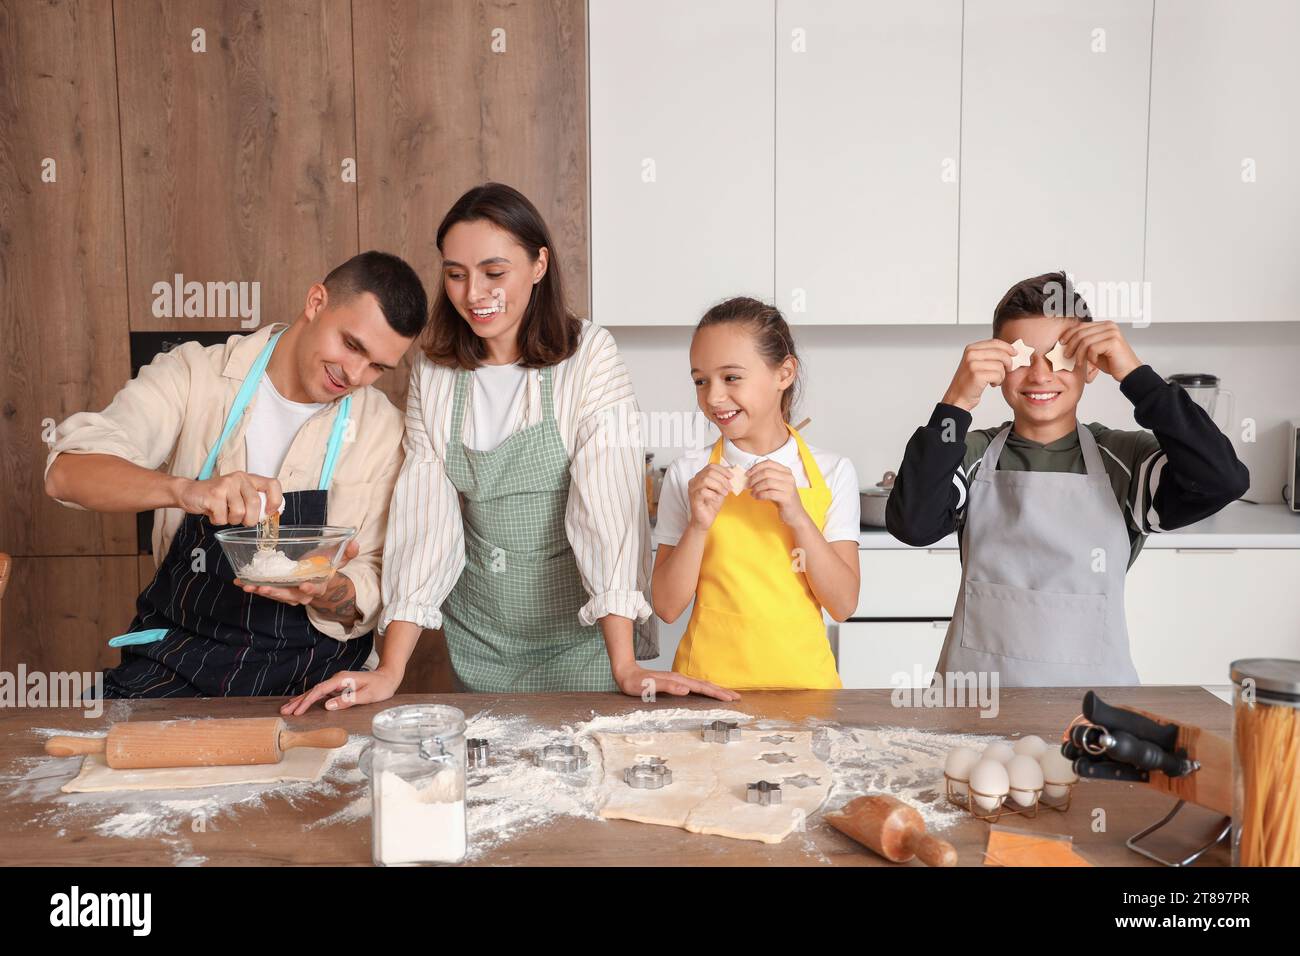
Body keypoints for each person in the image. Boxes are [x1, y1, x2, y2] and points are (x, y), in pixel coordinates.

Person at [284, 183, 737, 713]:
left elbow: (607, 509)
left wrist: (624, 665)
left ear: (539, 264)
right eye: (456, 274)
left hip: (583, 633)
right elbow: (425, 520)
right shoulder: (436, 371)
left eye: (494, 273)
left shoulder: (588, 357)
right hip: (482, 636)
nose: (474, 293)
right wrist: (391, 669)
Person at [45, 251, 427, 697]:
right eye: (352, 345)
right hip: (181, 657)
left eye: (378, 366)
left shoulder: (385, 428)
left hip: (317, 672)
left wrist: (328, 589)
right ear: (316, 301)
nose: (357, 374)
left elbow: (378, 575)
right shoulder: (194, 375)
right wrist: (186, 491)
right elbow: (68, 474)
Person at [886, 271, 1250, 686]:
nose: (1041, 376)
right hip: (974, 709)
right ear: (998, 367)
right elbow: (912, 525)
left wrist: (1136, 376)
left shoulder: (1127, 462)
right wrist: (956, 401)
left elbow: (1223, 480)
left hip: (1091, 716)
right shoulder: (970, 454)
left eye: (1061, 356)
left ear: (1092, 365)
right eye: (1023, 359)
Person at [651, 297, 861, 689]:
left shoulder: (832, 473)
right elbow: (665, 606)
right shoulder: (687, 475)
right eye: (701, 380)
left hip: (806, 692)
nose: (713, 397)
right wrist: (698, 525)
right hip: (707, 690)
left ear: (784, 373)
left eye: (731, 377)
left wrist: (797, 515)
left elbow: (843, 604)